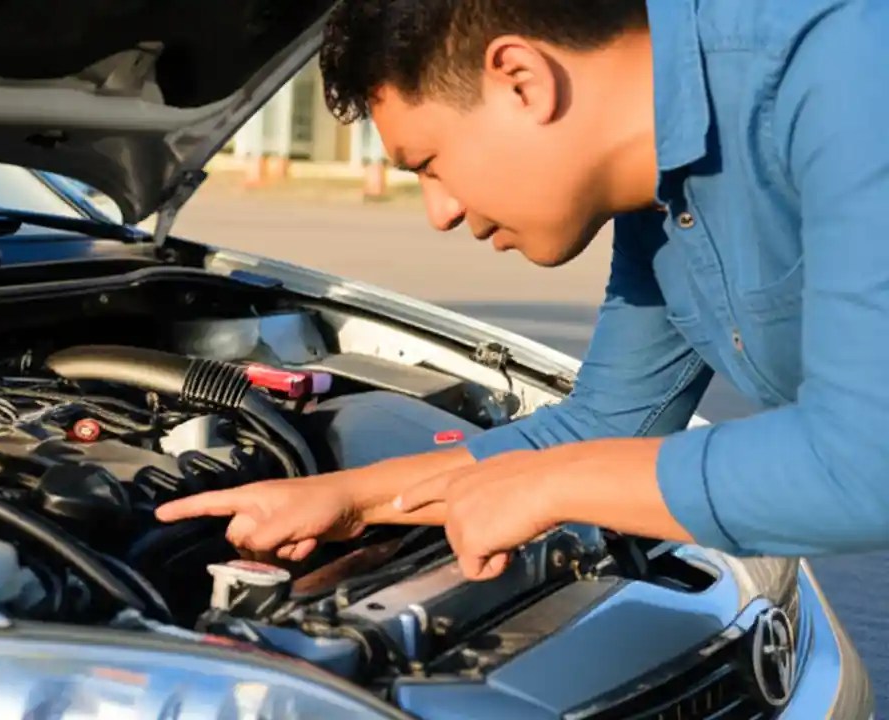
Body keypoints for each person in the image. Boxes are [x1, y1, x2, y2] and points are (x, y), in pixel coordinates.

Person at [155, 0, 889, 580]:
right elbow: (608, 426)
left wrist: (555, 486)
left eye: (430, 163)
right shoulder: (653, 194)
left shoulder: (845, 66)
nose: (440, 213)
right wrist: (350, 500)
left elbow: (867, 460)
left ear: (521, 79)